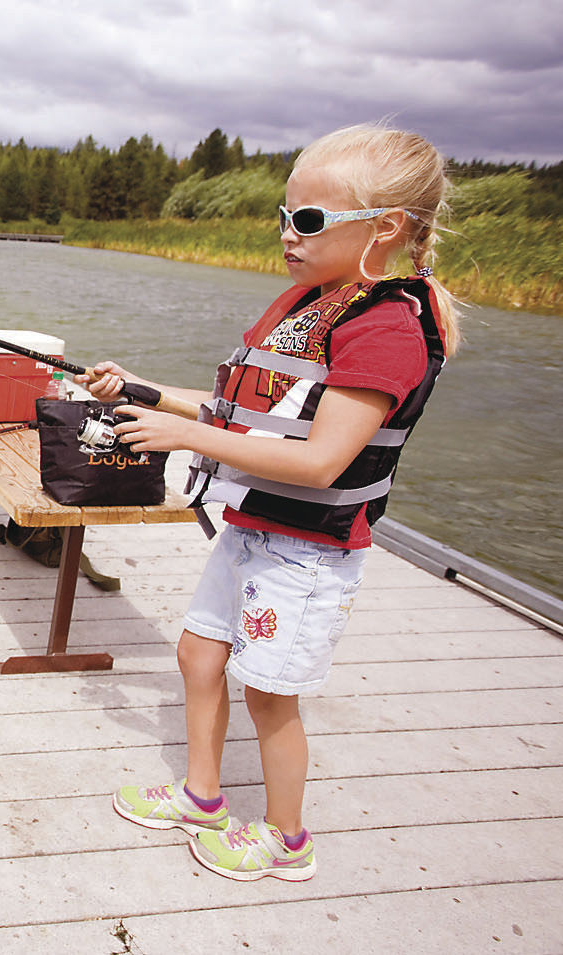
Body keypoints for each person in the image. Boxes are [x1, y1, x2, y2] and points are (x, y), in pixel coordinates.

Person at [90, 124, 462, 882]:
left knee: (270, 693)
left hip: (310, 549)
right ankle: (201, 794)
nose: (288, 234)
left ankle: (288, 837)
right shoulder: (309, 304)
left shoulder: (387, 327)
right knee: (199, 653)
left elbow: (324, 460)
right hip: (254, 527)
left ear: (385, 228)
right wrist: (148, 393)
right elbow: (241, 412)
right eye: (284, 216)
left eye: (310, 220)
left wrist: (179, 436)